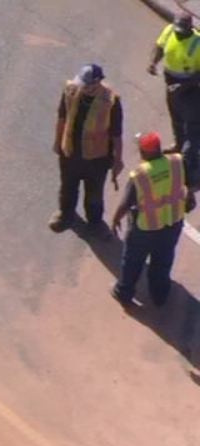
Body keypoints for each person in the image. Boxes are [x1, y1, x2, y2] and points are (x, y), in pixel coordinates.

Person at [111, 131, 196, 307]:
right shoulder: (176, 161)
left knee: (133, 260)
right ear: (159, 149)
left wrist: (115, 219)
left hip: (145, 228)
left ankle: (124, 292)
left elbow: (126, 203)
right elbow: (189, 183)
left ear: (143, 152)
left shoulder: (141, 175)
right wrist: (189, 198)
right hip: (172, 222)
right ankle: (159, 295)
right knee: (163, 260)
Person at [52, 64, 122, 236]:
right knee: (68, 187)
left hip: (96, 158)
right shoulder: (70, 91)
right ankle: (65, 215)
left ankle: (95, 223)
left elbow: (116, 133)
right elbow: (62, 117)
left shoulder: (110, 101)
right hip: (70, 152)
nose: (82, 87)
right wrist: (57, 142)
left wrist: (117, 159)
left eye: (86, 84)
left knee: (94, 194)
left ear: (97, 82)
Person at [149, 14, 200, 151]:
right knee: (176, 117)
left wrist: (182, 87)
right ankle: (179, 144)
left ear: (190, 27)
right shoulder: (170, 30)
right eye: (177, 29)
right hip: (171, 83)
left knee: (193, 121)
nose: (178, 33)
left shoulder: (198, 43)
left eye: (181, 31)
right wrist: (153, 62)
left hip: (190, 88)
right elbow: (159, 46)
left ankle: (192, 153)